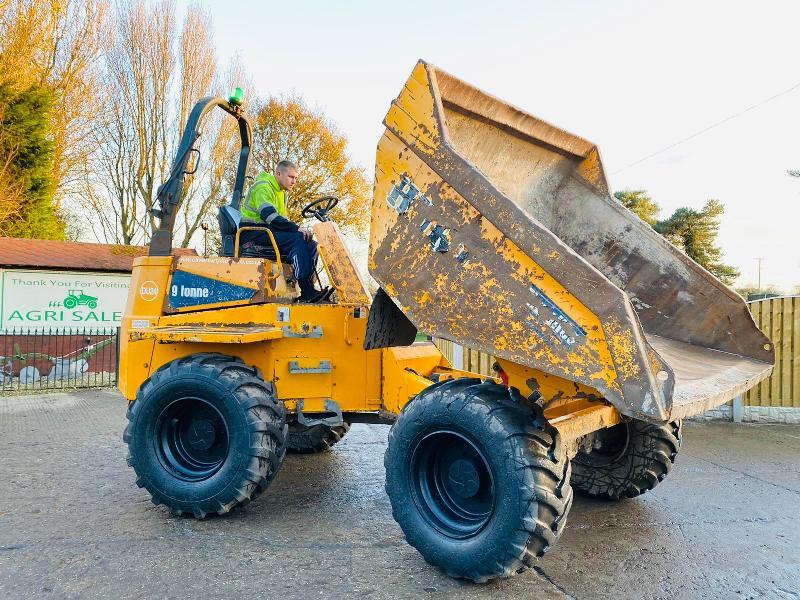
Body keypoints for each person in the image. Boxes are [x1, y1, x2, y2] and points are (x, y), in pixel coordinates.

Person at [239, 160, 327, 302]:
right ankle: (306, 290)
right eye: (291, 177)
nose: (294, 181)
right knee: (298, 239)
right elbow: (271, 217)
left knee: (311, 244)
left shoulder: (281, 192)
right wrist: (297, 229)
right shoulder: (263, 187)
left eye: (296, 178)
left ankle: (309, 287)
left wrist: (298, 230)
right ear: (278, 174)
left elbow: (281, 221)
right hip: (253, 235)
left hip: (267, 232)